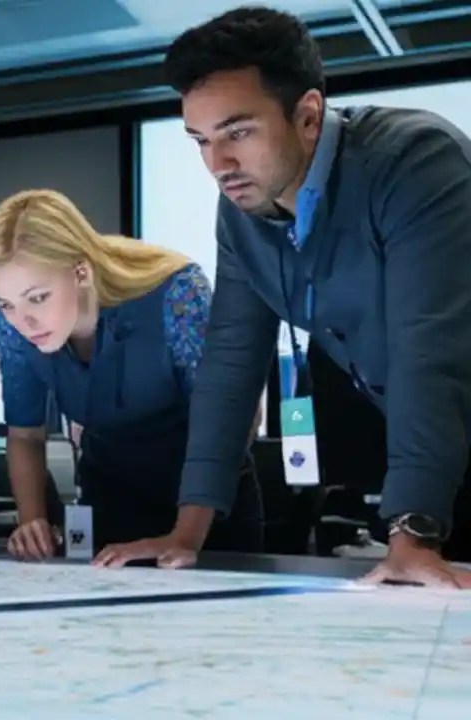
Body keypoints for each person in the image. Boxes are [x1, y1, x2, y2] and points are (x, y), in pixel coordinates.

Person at [94, 6, 471, 589]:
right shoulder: (242, 212)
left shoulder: (416, 162)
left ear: (309, 117)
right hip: (436, 456)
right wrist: (186, 533)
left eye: (238, 132)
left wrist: (412, 532)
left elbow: (430, 351)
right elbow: (231, 360)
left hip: (443, 428)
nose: (218, 164)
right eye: (201, 140)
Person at [0, 189, 262, 560]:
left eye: (37, 297)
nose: (23, 321)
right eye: (6, 304)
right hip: (111, 500)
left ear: (80, 271)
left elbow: (237, 416)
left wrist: (185, 536)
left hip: (206, 509)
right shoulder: (15, 326)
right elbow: (24, 434)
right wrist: (32, 523)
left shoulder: (175, 295)